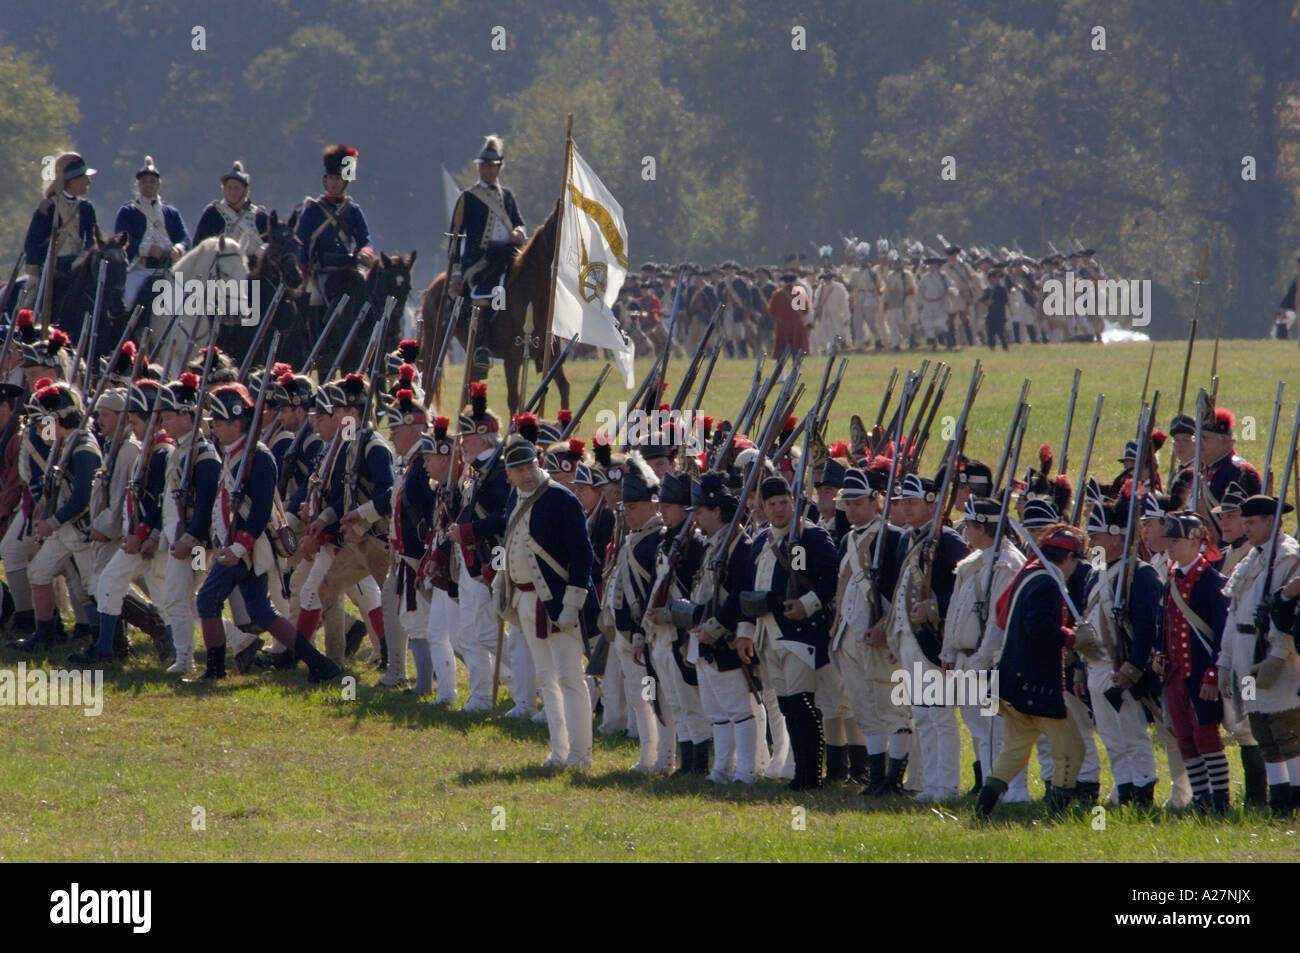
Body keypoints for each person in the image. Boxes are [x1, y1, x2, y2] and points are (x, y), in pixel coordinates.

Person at [192, 382, 341, 682]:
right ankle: (319, 664)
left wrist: (237, 548)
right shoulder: (235, 452)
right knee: (262, 611)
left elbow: (260, 510)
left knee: (206, 600)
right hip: (239, 545)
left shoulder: (258, 457)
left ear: (236, 423)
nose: (214, 429)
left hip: (247, 547)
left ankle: (215, 670)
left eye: (219, 423)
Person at [494, 434, 596, 770]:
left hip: (556, 603)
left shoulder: (562, 499)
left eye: (529, 466)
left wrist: (572, 604)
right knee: (545, 679)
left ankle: (580, 756)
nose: (526, 474)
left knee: (570, 678)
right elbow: (509, 545)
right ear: (508, 473)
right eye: (518, 468)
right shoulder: (513, 499)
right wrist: (501, 583)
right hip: (524, 600)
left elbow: (583, 557)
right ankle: (559, 751)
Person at [735, 475, 839, 791]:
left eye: (783, 502)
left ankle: (811, 776)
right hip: (768, 634)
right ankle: (801, 774)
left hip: (799, 633)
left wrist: (806, 605)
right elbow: (750, 591)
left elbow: (831, 577)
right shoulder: (761, 541)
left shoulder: (810, 537)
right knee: (787, 706)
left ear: (793, 502)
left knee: (802, 704)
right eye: (772, 504)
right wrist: (745, 632)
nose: (779, 509)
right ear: (763, 507)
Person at [977, 524, 1089, 817]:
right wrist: (1073, 638)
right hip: (1037, 685)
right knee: (1072, 750)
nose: (1075, 568)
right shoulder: (1046, 583)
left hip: (1014, 682)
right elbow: (1039, 628)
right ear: (1067, 558)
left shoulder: (1031, 574)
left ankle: (982, 811)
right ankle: (1058, 813)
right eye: (1076, 560)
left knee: (1013, 751)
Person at [1221, 494, 1300, 815]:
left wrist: (1276, 657)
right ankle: (1277, 795)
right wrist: (1225, 662)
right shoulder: (1252, 558)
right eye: (1245, 521)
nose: (1245, 527)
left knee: (1286, 730)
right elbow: (1234, 612)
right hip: (1244, 657)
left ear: (1272, 521)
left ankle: (1295, 797)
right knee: (1261, 729)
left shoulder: (1287, 558)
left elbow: (1288, 613)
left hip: (1273, 659)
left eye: (1252, 522)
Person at [1159, 511, 1231, 811]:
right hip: (1176, 674)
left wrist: (1213, 675)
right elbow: (1164, 624)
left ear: (1194, 541)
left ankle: (1220, 799)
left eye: (1175, 541)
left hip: (1201, 673)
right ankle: (1200, 797)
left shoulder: (1212, 581)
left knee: (1206, 735)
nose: (1170, 547)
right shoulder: (1172, 579)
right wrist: (1159, 654)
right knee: (1185, 739)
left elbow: (1222, 635)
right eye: (1169, 541)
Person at [447, 136, 527, 370]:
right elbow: (455, 236)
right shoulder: (468, 198)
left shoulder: (508, 196)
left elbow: (519, 223)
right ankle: (482, 346)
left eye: (491, 166)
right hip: (480, 262)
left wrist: (520, 233)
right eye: (483, 165)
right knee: (486, 293)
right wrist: (456, 272)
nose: (487, 170)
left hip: (508, 257)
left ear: (499, 167)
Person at [21, 153, 99, 316]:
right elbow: (32, 242)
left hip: (77, 266)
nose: (89, 181)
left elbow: (92, 239)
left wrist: (83, 258)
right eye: (85, 177)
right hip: (52, 268)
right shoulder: (47, 207)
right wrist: (35, 271)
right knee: (30, 304)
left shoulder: (86, 208)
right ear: (73, 180)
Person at [114, 156, 191, 315]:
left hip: (168, 270)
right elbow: (121, 239)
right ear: (138, 185)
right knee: (126, 302)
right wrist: (148, 250)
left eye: (152, 181)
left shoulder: (171, 213)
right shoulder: (128, 211)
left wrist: (178, 249)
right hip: (139, 269)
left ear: (158, 185)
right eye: (144, 181)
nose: (148, 184)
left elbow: (185, 239)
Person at [193, 161, 270, 248]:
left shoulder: (260, 216)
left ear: (246, 191)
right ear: (223, 189)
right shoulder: (213, 214)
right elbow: (199, 247)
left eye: (237, 188)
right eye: (229, 188)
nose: (232, 192)